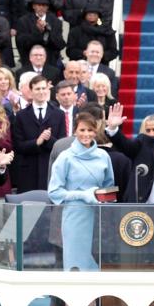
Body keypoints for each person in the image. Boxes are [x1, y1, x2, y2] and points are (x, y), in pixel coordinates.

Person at [47, 112, 115, 271]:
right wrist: (82, 195)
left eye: (90, 130)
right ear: (75, 131)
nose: (86, 134)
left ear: (96, 132)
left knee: (98, 267)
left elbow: (109, 186)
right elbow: (54, 192)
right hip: (75, 217)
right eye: (82, 130)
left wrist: (104, 198)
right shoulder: (65, 157)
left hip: (100, 218)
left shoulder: (103, 156)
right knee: (76, 266)